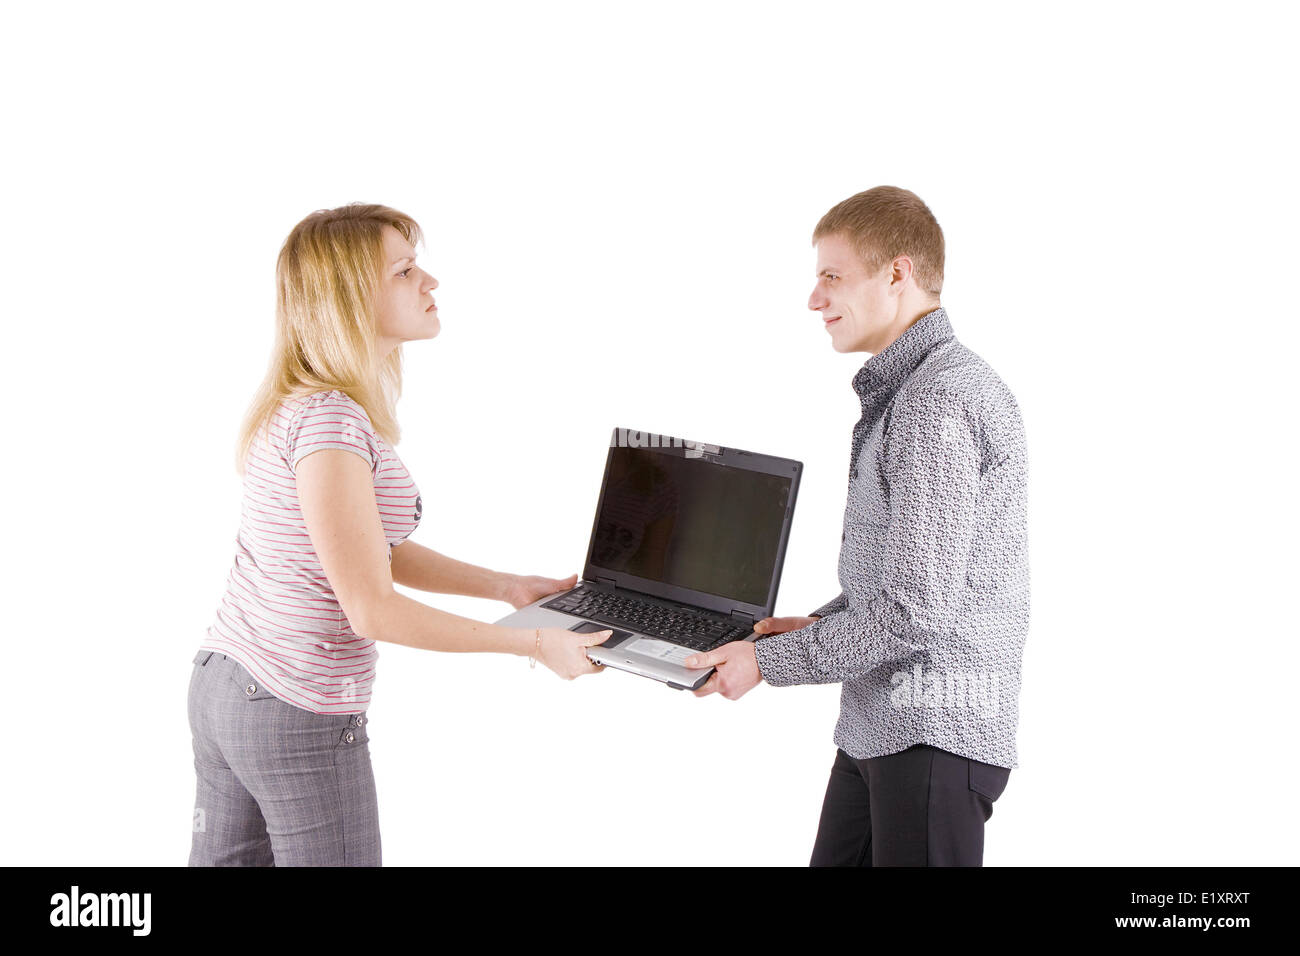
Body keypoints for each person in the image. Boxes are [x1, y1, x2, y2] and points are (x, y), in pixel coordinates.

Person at [188, 203, 609, 867]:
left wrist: (506, 587)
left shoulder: (306, 405)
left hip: (229, 684)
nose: (430, 282)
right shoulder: (329, 425)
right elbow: (371, 607)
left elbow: (363, 552)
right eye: (406, 270)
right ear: (353, 297)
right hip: (293, 707)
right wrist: (533, 642)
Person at [685, 186, 1029, 866]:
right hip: (883, 727)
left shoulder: (938, 402)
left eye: (832, 276)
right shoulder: (911, 391)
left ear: (897, 274)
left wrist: (765, 661)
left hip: (933, 732)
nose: (815, 299)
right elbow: (908, 584)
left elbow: (915, 613)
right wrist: (817, 625)